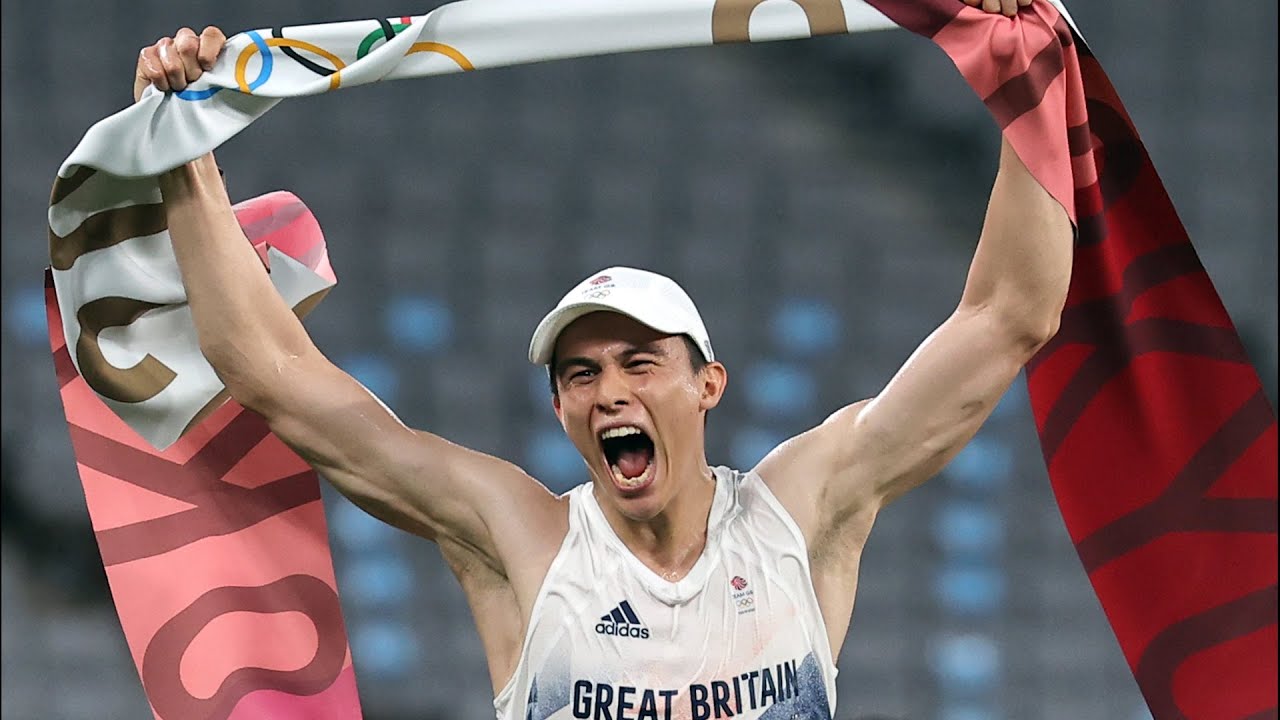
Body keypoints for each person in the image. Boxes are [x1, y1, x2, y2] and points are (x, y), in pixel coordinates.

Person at [137, 0, 1066, 716]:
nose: (608, 391)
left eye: (637, 362)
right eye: (579, 374)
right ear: (559, 411)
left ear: (709, 385)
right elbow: (275, 376)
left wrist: (1031, 81)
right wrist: (187, 155)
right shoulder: (522, 542)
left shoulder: (800, 516)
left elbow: (1008, 317)